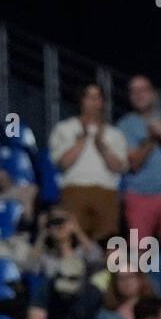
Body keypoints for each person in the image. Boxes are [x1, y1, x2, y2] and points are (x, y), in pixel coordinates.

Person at [48, 84, 127, 243]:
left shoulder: (115, 134)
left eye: (97, 98)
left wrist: (101, 146)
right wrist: (82, 140)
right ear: (81, 100)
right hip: (74, 190)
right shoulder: (64, 128)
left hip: (106, 192)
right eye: (88, 97)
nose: (92, 102)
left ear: (102, 102)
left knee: (108, 243)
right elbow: (62, 163)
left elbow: (119, 167)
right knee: (73, 241)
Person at [116, 75, 161, 239]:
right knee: (141, 253)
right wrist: (153, 138)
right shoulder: (124, 125)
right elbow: (133, 164)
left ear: (153, 94)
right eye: (134, 91)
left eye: (143, 90)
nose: (139, 94)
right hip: (139, 198)